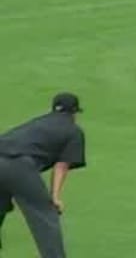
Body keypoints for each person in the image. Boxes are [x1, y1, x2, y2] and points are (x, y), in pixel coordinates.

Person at [0, 92, 87, 258]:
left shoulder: (39, 121)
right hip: (18, 166)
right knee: (44, 214)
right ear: (74, 112)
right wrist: (55, 197)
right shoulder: (73, 131)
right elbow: (61, 166)